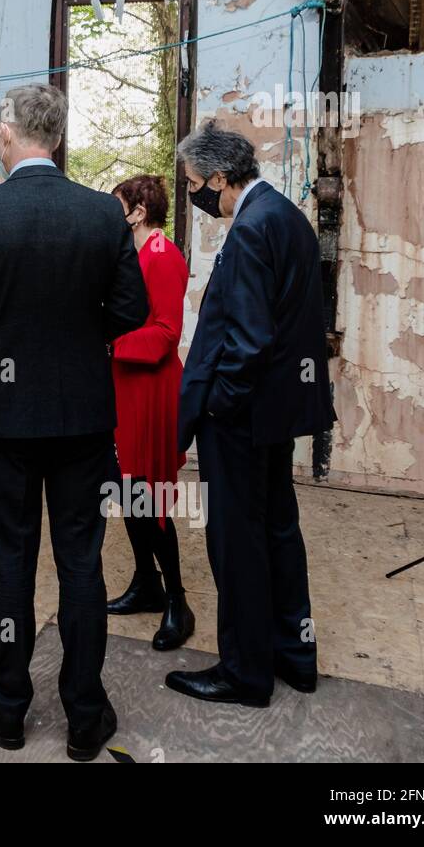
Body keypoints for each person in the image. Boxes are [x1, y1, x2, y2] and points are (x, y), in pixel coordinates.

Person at [0, 84, 148, 761]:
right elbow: (131, 310)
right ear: (56, 139)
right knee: (81, 563)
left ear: (8, 134)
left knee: (11, 560)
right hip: (84, 416)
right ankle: (85, 718)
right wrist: (79, 345)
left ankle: (7, 708)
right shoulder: (102, 213)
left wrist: (7, 348)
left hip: (8, 419)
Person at [167, 120, 334, 707]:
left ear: (219, 177)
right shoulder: (286, 216)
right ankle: (295, 657)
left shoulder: (250, 229)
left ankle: (244, 673)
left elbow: (248, 341)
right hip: (277, 414)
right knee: (278, 530)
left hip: (242, 418)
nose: (193, 195)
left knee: (236, 542)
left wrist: (218, 405)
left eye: (194, 184)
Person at [106, 174, 193, 651]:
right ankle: (146, 583)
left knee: (148, 495)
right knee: (127, 489)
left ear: (138, 212)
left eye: (117, 205)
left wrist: (110, 344)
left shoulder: (162, 256)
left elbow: (166, 332)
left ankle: (177, 599)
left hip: (151, 389)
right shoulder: (136, 254)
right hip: (127, 386)